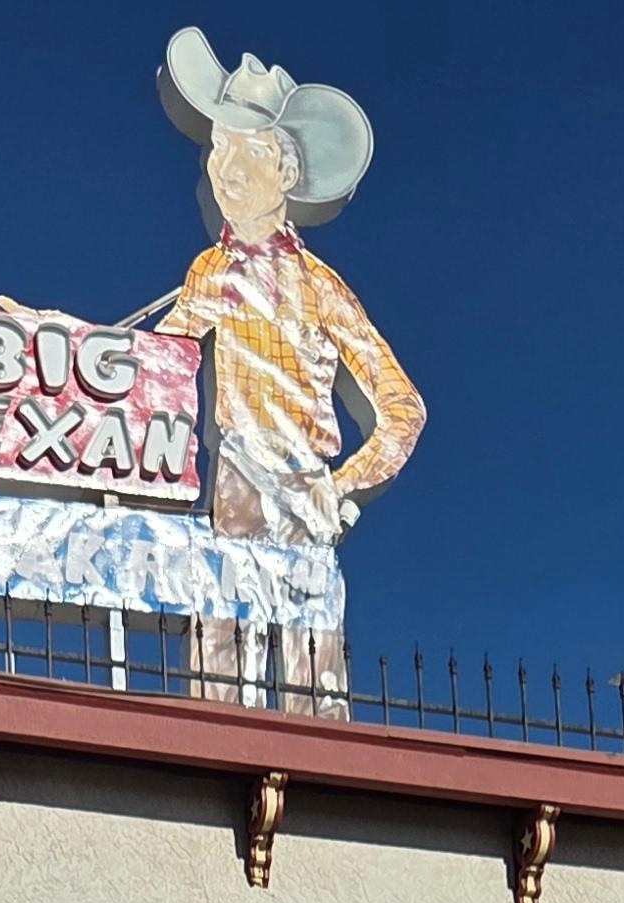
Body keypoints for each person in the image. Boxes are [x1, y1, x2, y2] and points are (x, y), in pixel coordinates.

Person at [149, 31, 421, 709]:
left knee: (313, 703)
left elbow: (402, 408)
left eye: (250, 151)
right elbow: (147, 364)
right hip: (233, 499)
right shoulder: (210, 272)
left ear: (288, 174)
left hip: (302, 498)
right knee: (216, 698)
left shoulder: (321, 288)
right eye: (219, 147)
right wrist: (50, 334)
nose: (227, 168)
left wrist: (341, 489)